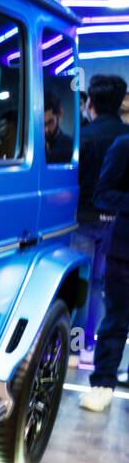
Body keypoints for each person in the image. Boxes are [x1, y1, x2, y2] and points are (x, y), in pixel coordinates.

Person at [73, 74, 129, 356]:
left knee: (80, 285)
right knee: (108, 290)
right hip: (120, 226)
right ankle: (91, 347)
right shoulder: (126, 138)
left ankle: (76, 344)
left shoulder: (82, 138)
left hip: (82, 219)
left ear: (90, 103)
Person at [83, 131, 129, 411]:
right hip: (125, 251)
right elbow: (102, 194)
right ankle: (102, 384)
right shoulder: (124, 145)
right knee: (116, 320)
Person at [44, 92, 74, 164]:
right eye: (42, 124)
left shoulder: (70, 145)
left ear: (59, 115)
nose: (46, 129)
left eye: (50, 122)